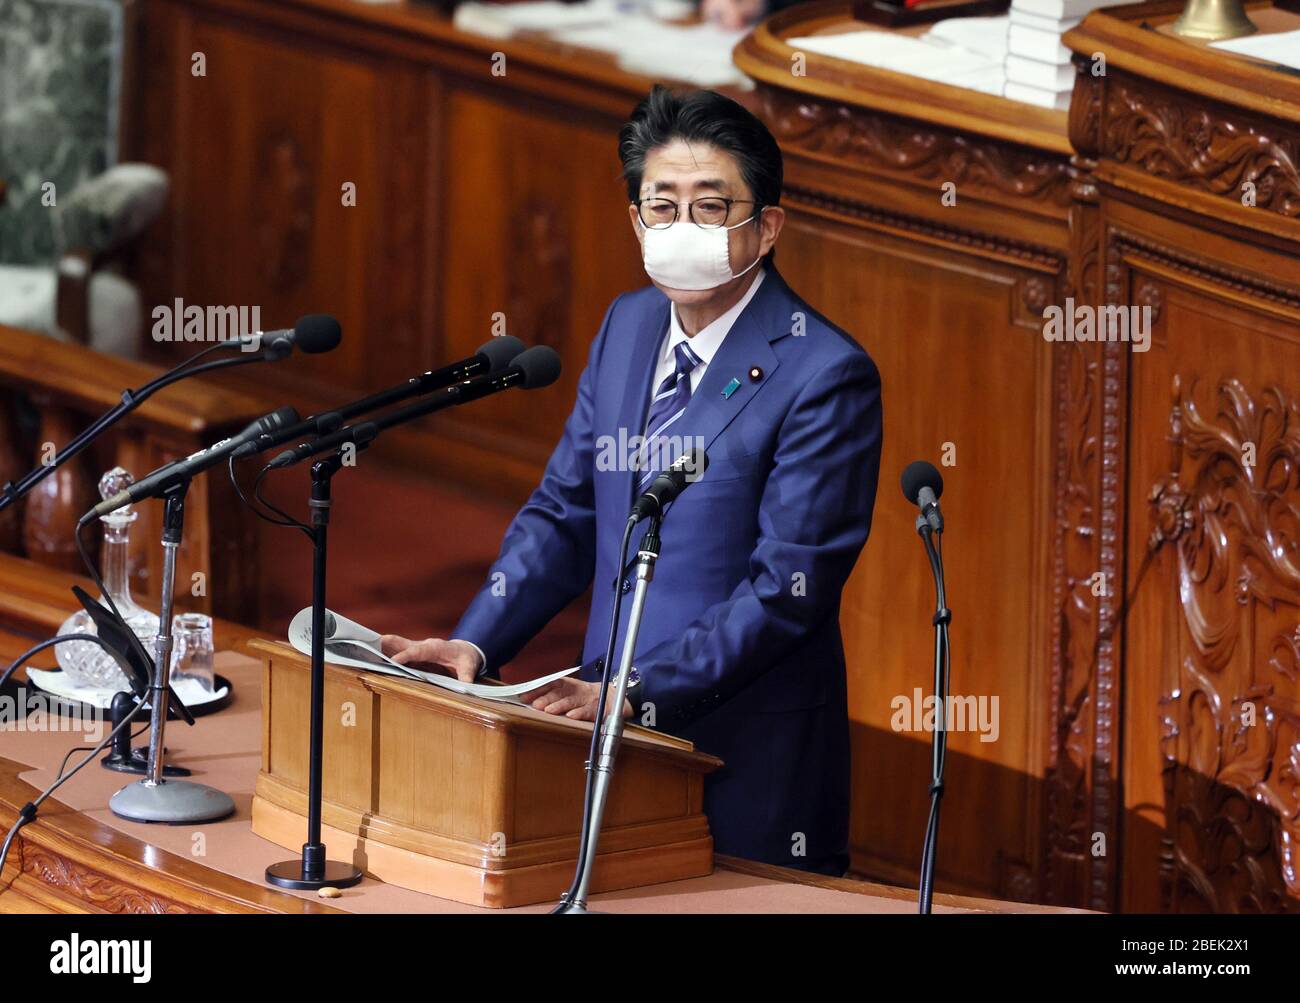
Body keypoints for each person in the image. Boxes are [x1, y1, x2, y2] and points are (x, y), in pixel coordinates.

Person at [382, 86, 882, 875]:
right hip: (596, 737)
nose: (683, 228)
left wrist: (638, 690)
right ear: (635, 221)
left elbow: (786, 590)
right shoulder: (628, 324)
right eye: (662, 205)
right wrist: (478, 636)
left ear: (768, 227)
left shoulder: (825, 373)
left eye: (711, 207)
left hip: (740, 752)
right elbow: (566, 511)